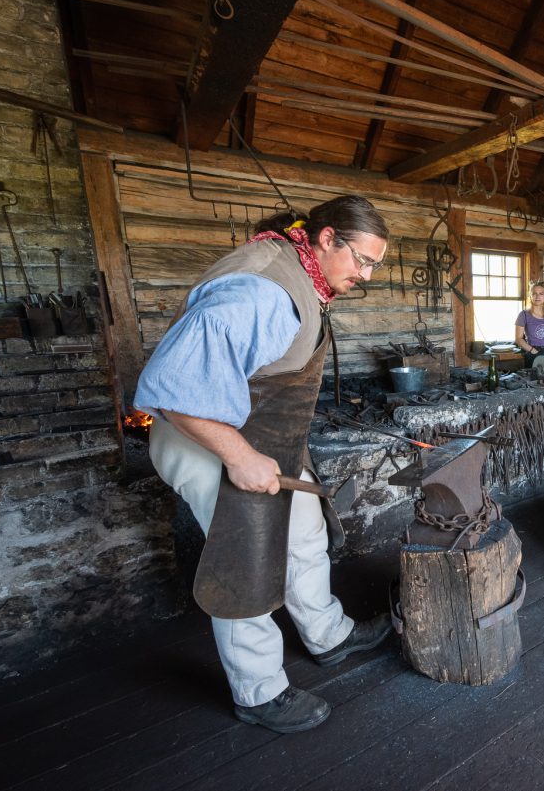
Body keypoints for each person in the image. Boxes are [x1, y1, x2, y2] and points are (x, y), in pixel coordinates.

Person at [134, 196, 393, 734]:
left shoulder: (301, 272)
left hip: (262, 435)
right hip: (206, 437)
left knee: (302, 535)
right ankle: (258, 691)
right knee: (247, 558)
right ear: (326, 239)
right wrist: (239, 456)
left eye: (374, 265)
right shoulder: (261, 290)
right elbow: (170, 389)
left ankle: (328, 635)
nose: (365, 275)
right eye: (362, 261)